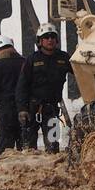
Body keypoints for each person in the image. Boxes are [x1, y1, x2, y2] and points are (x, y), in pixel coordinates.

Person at [16, 23, 72, 154]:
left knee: (53, 149)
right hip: (31, 110)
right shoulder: (32, 60)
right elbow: (21, 86)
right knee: (29, 150)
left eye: (53, 36)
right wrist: (22, 109)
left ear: (57, 40)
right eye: (46, 37)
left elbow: (80, 73)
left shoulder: (64, 58)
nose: (50, 39)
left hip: (52, 111)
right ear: (40, 41)